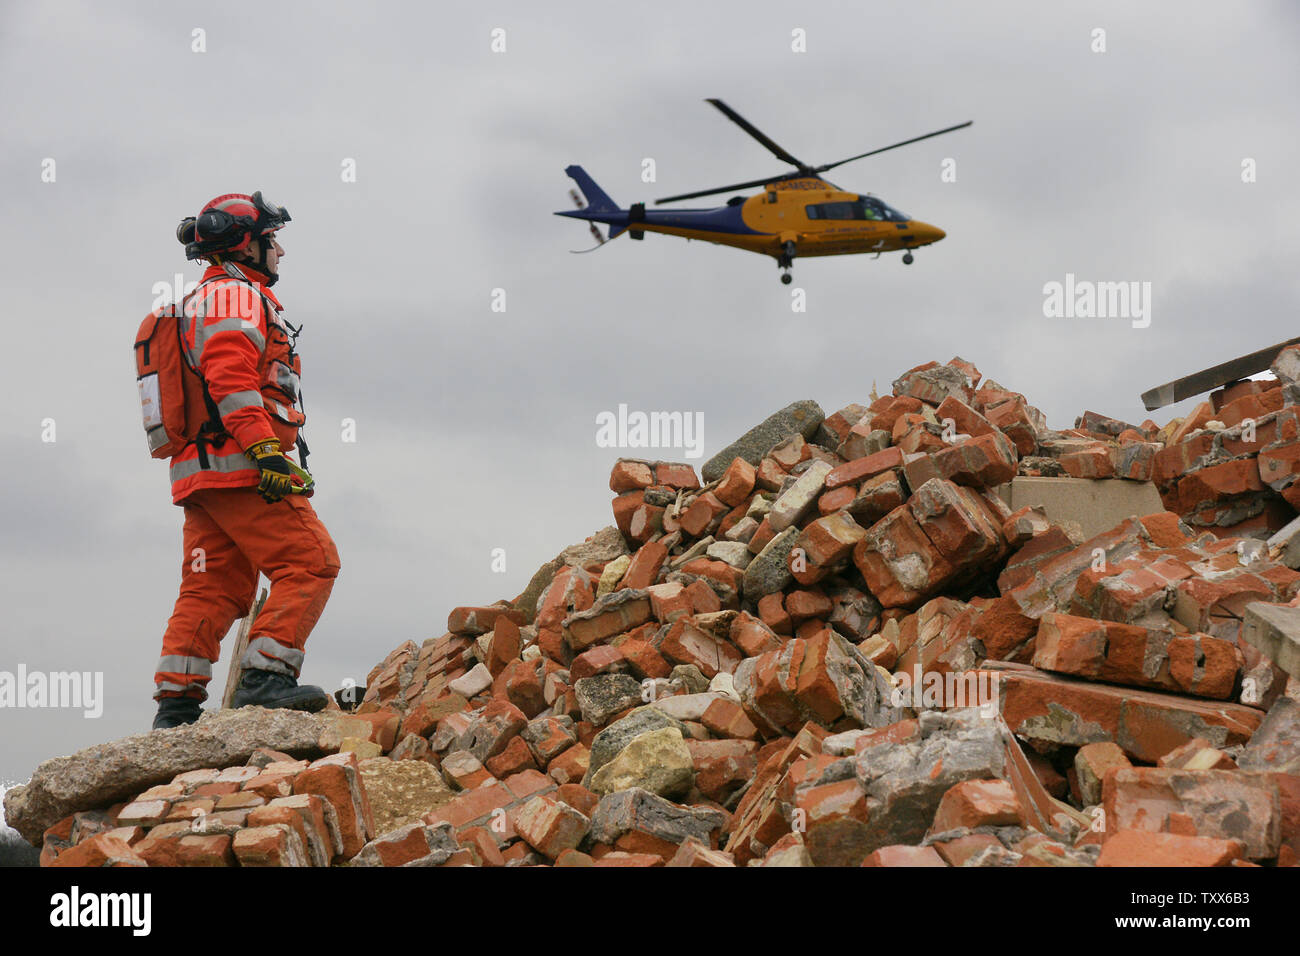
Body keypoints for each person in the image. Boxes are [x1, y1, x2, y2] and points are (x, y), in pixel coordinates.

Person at [151, 192, 339, 730]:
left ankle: (176, 707)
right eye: (271, 238)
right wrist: (265, 452)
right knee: (310, 561)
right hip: (241, 465)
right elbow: (229, 379)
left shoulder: (202, 299)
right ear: (244, 243)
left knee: (214, 586)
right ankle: (266, 678)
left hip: (201, 476)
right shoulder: (235, 296)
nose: (279, 249)